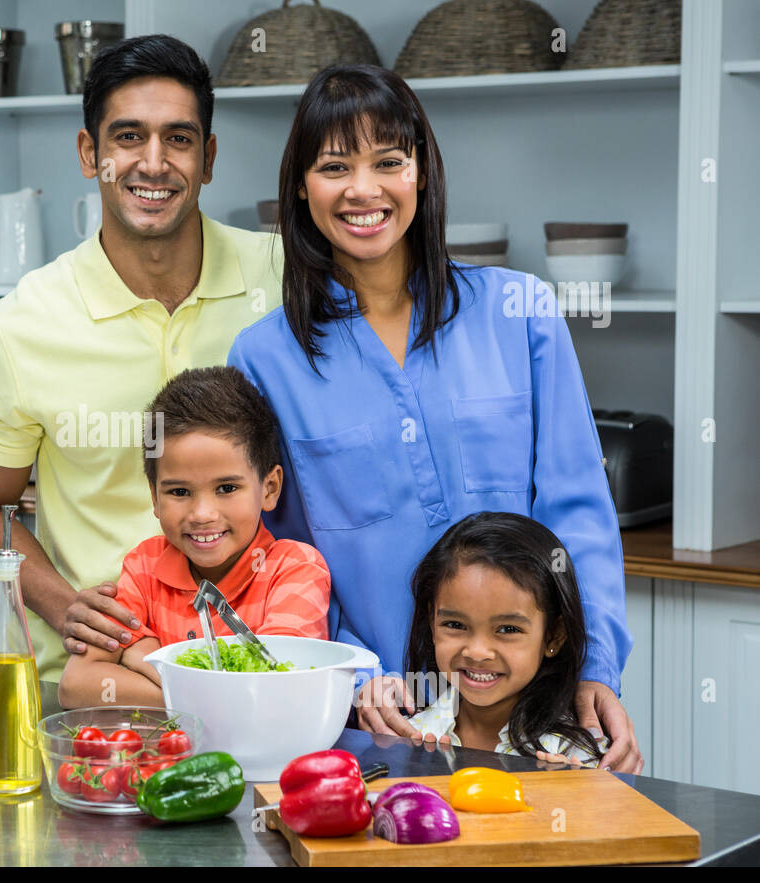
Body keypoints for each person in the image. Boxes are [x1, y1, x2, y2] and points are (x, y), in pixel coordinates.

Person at [226, 64, 643, 773]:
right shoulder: (264, 356)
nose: (365, 190)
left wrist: (596, 664)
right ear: (300, 186)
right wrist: (352, 683)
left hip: (544, 715)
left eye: (389, 161)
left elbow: (577, 512)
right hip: (376, 728)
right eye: (335, 167)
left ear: (421, 171)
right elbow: (280, 561)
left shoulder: (523, 312)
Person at [0, 36, 282, 684]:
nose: (153, 163)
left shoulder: (283, 283)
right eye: (128, 137)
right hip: (92, 692)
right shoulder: (21, 328)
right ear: (90, 154)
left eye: (179, 139)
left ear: (208, 157)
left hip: (259, 677)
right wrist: (66, 606)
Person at [57, 367, 332, 708]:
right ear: (154, 497)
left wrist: (145, 655)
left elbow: (268, 692)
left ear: (269, 488)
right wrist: (204, 698)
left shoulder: (294, 569)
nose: (202, 514)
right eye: (180, 491)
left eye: (227, 488)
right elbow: (77, 685)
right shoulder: (144, 566)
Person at [404, 512, 608, 767]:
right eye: (455, 625)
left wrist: (567, 795)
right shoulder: (410, 739)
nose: (477, 652)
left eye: (508, 629)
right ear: (432, 624)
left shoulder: (577, 755)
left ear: (553, 636)